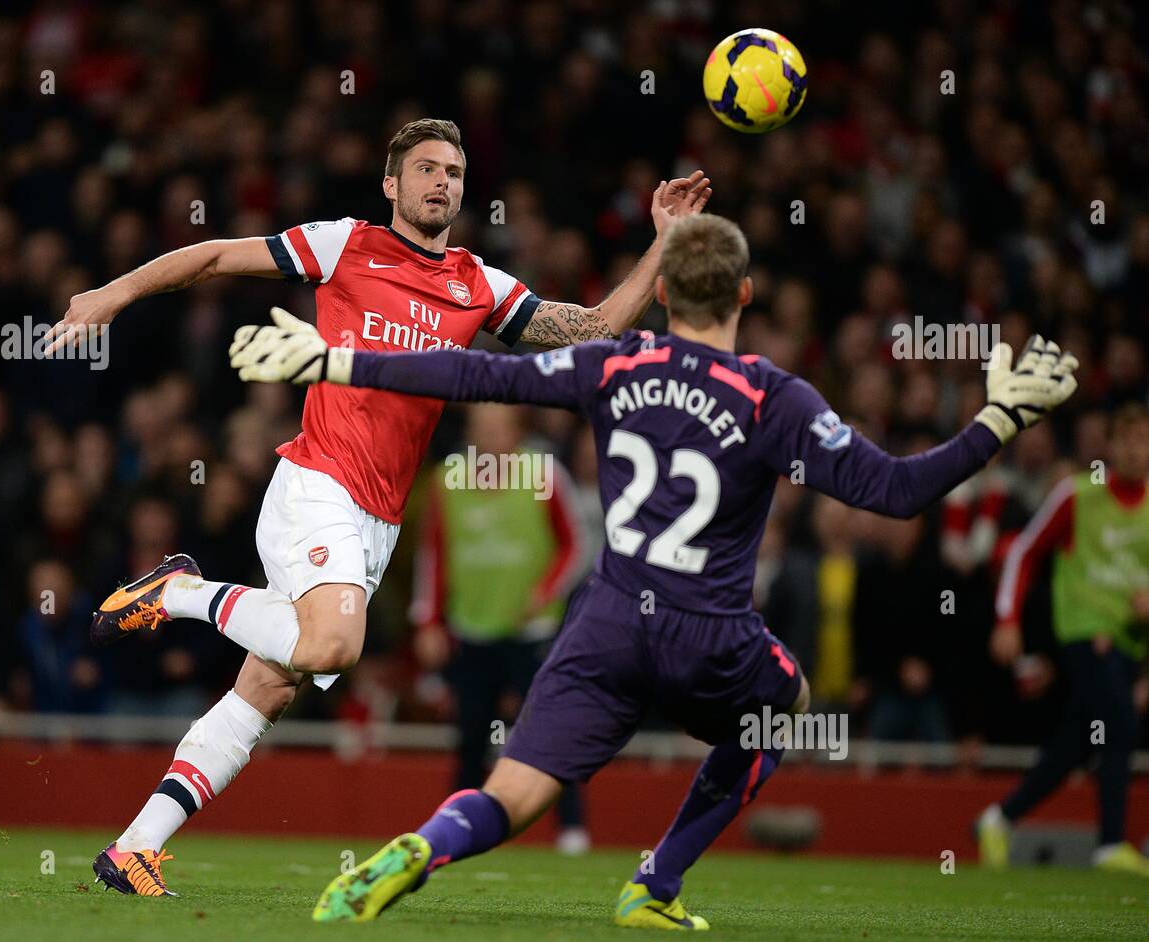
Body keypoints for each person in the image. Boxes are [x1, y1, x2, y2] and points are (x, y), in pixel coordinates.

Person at [233, 213, 1079, 927]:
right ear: (745, 294)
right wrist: (1000, 419)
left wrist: (331, 361)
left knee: (515, 795)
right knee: (784, 708)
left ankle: (426, 845)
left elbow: (475, 373)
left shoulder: (614, 363)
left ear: (666, 292)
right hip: (710, 633)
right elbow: (895, 492)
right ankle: (655, 884)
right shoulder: (772, 398)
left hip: (604, 625)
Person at [50, 117, 712, 896]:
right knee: (333, 646)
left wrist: (667, 241)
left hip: (378, 521)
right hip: (317, 481)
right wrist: (116, 290)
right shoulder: (344, 245)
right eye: (426, 169)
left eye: (455, 173)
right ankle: (181, 593)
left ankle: (134, 847)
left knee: (268, 688)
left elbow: (593, 328)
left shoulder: (479, 285)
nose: (443, 182)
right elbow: (217, 255)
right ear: (392, 185)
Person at [978, 403, 1149, 876]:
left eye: (1145, 440)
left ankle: (999, 817)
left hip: (1132, 644)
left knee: (1076, 742)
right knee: (1119, 721)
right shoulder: (1077, 494)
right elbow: (1023, 553)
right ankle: (1110, 844)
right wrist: (1007, 618)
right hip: (1086, 634)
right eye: (1128, 439)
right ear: (1109, 447)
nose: (1137, 450)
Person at [412, 403, 588, 852]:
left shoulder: (545, 473)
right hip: (472, 628)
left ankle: (570, 828)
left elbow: (576, 546)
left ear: (517, 432)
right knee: (471, 736)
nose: (490, 436)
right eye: (481, 428)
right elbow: (433, 556)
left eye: (499, 427)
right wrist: (428, 621)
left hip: (533, 633)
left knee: (546, 730)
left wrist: (544, 593)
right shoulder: (448, 479)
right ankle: (451, 831)